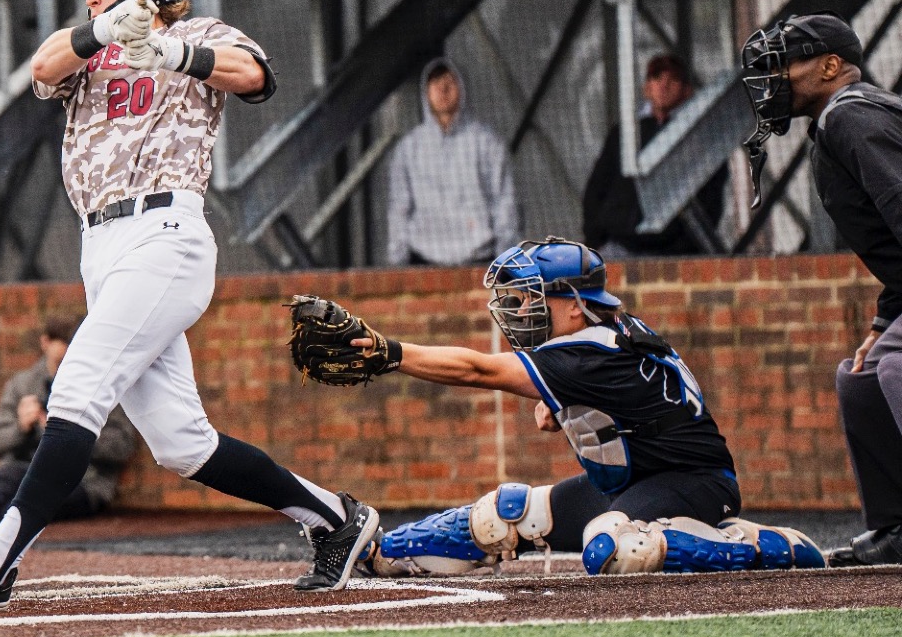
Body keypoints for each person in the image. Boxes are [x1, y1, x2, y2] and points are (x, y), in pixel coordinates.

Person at [0, 0, 380, 616]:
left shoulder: (203, 32)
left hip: (165, 235)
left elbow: (255, 76)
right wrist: (103, 30)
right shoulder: (88, 48)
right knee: (183, 444)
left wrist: (174, 51)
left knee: (77, 393)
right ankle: (336, 519)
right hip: (102, 246)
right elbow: (41, 66)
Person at [294, 237, 823, 576]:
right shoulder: (602, 334)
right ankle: (382, 552)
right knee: (505, 514)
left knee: (614, 549)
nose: (521, 310)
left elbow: (478, 370)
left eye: (533, 298)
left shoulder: (589, 353)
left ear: (573, 304)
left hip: (696, 485)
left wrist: (392, 353)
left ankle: (758, 547)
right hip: (632, 483)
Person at [739, 13, 902, 566]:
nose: (776, 77)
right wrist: (884, 321)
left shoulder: (852, 117)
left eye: (788, 64)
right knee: (863, 375)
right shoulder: (842, 119)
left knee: (898, 366)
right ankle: (897, 527)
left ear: (831, 67)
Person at [0, 316, 138, 534]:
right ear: (45, 343)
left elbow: (123, 446)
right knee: (8, 477)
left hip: (82, 480)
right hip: (25, 469)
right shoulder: (21, 385)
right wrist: (21, 427)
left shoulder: (103, 387)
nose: (68, 363)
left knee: (38, 497)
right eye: (62, 356)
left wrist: (72, 434)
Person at [581, 53, 729, 256]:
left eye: (673, 80)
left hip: (674, 254)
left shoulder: (701, 137)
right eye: (657, 78)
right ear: (646, 88)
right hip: (620, 246)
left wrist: (684, 248)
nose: (664, 86)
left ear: (687, 91)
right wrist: (595, 238)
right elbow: (597, 188)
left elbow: (711, 199)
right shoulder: (624, 134)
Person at [385, 58, 519, 266]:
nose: (443, 89)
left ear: (462, 89)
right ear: (426, 93)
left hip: (479, 258)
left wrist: (506, 261)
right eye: (435, 83)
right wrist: (398, 265)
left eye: (449, 81)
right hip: (423, 260)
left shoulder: (487, 143)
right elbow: (399, 209)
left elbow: (505, 203)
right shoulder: (408, 149)